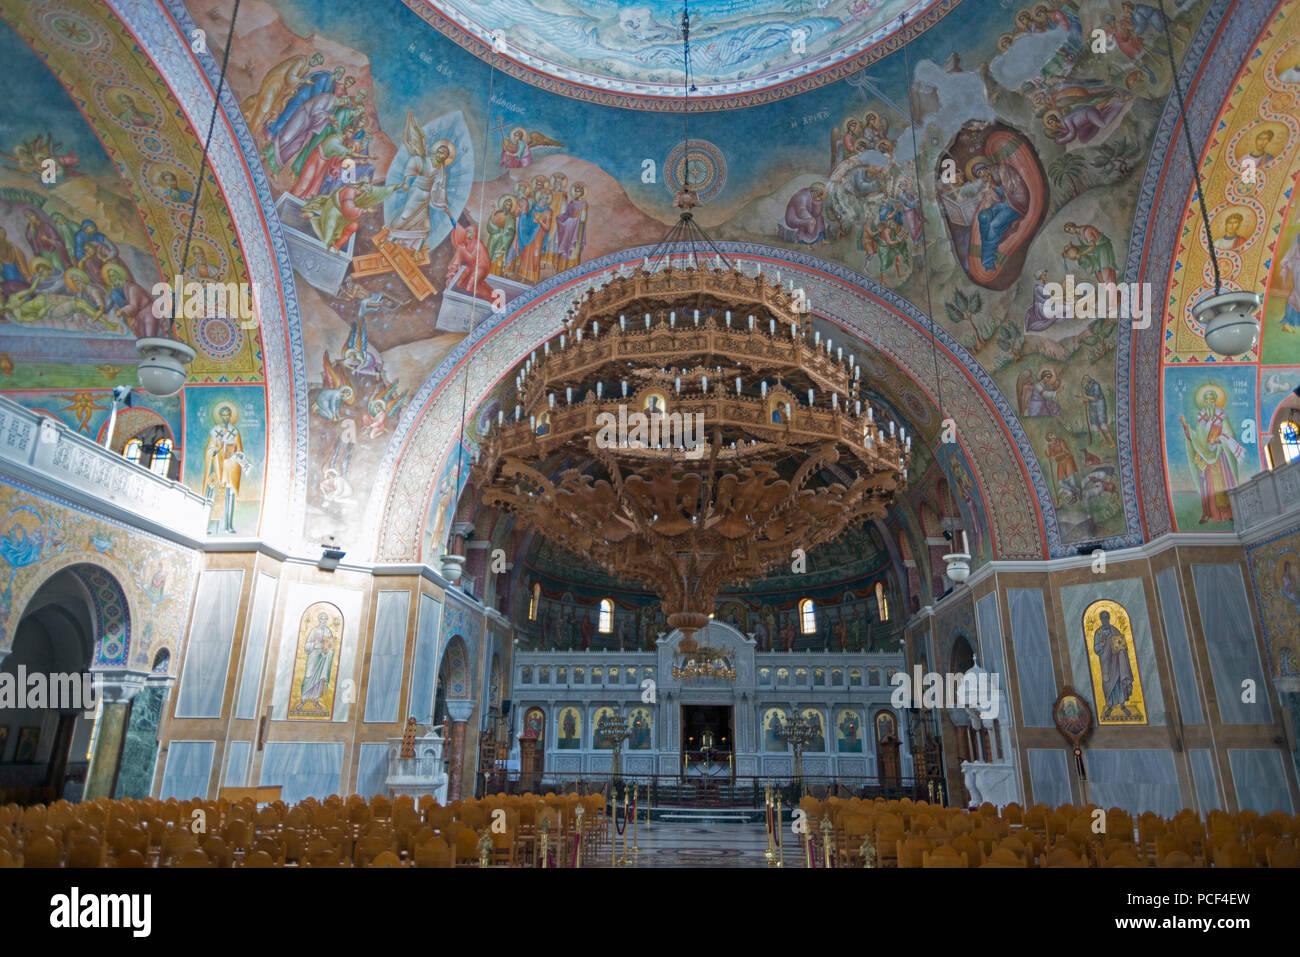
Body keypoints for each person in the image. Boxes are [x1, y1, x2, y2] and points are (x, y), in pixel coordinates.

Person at [1091, 610, 1133, 718]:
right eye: (1103, 618)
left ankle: (1123, 705)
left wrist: (1122, 649)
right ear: (1100, 620)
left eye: (1106, 618)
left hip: (1116, 662)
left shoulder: (1114, 630)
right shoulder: (1098, 633)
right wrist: (1102, 644)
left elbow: (1122, 644)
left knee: (1118, 681)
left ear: (1109, 619)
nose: (1105, 620)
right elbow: (1096, 649)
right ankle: (1109, 706)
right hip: (1106, 663)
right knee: (1107, 682)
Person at [298, 612, 336, 713]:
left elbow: (331, 646)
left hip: (323, 658)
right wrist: (314, 644)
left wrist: (327, 651)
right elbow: (306, 646)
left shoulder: (328, 631)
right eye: (322, 619)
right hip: (313, 656)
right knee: (308, 676)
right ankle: (303, 700)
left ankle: (315, 700)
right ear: (319, 620)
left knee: (319, 680)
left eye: (326, 619)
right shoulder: (314, 631)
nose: (324, 621)